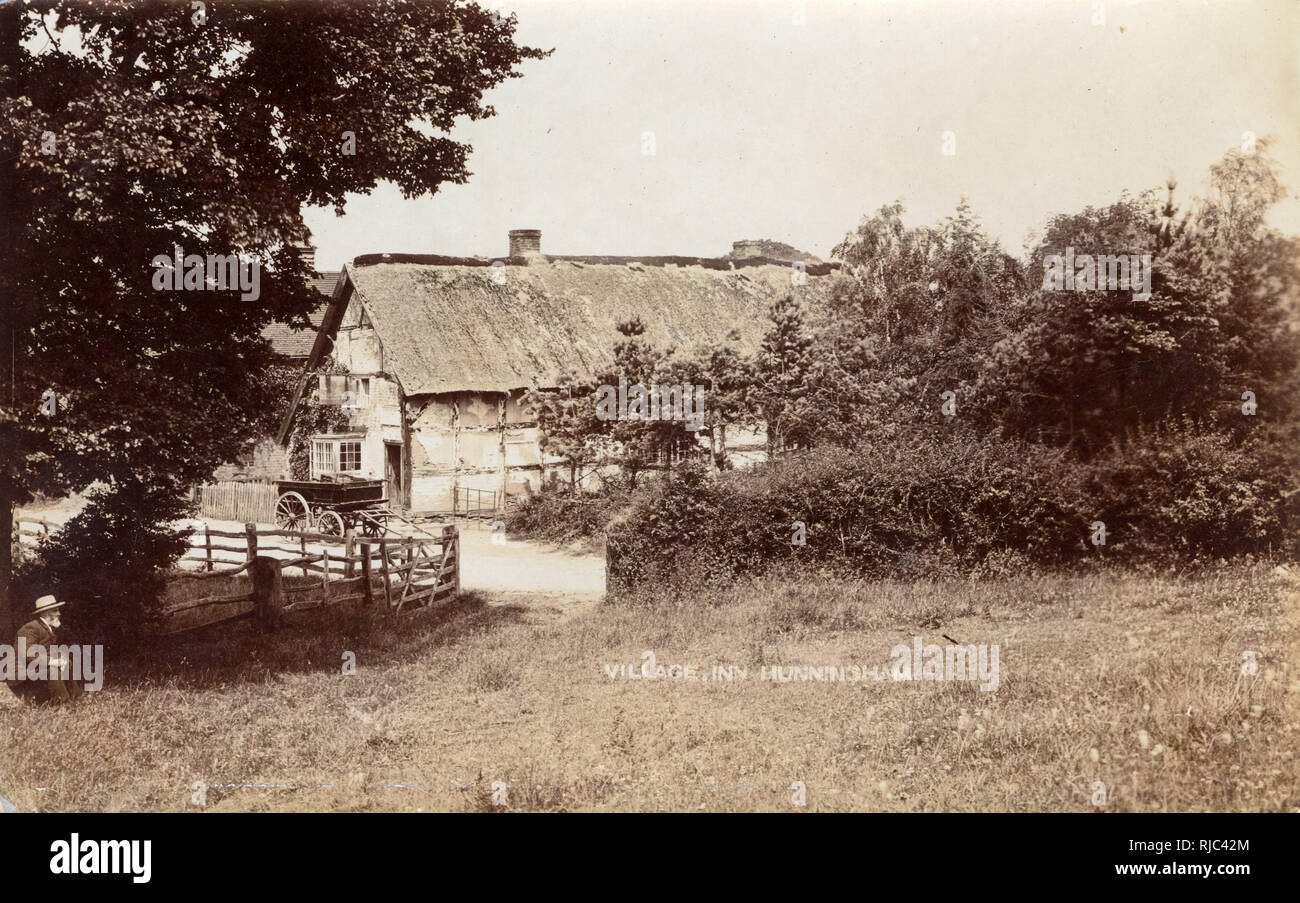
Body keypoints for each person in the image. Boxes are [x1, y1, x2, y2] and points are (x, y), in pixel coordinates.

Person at [7, 595, 83, 705]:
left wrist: (59, 657)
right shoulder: (31, 628)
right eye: (55, 610)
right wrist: (53, 661)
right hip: (21, 678)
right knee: (52, 670)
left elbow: (44, 651)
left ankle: (76, 698)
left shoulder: (45, 627)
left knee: (66, 662)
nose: (59, 613)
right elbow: (27, 653)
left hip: (34, 670)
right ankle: (63, 706)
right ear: (46, 613)